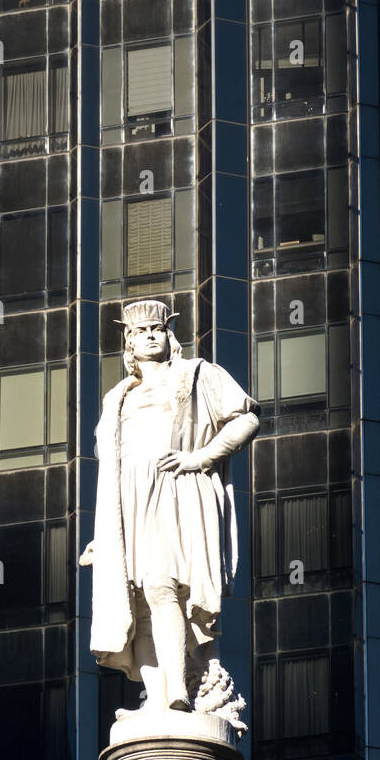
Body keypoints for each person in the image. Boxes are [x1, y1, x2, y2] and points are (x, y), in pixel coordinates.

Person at [80, 299, 259, 716]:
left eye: (157, 329)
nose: (150, 337)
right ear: (129, 343)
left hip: (179, 489)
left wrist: (202, 457)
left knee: (162, 586)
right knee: (136, 601)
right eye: (140, 332)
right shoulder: (118, 397)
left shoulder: (197, 374)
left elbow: (246, 418)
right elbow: (114, 470)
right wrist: (104, 536)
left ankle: (178, 689)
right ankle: (157, 699)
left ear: (168, 335)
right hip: (131, 501)